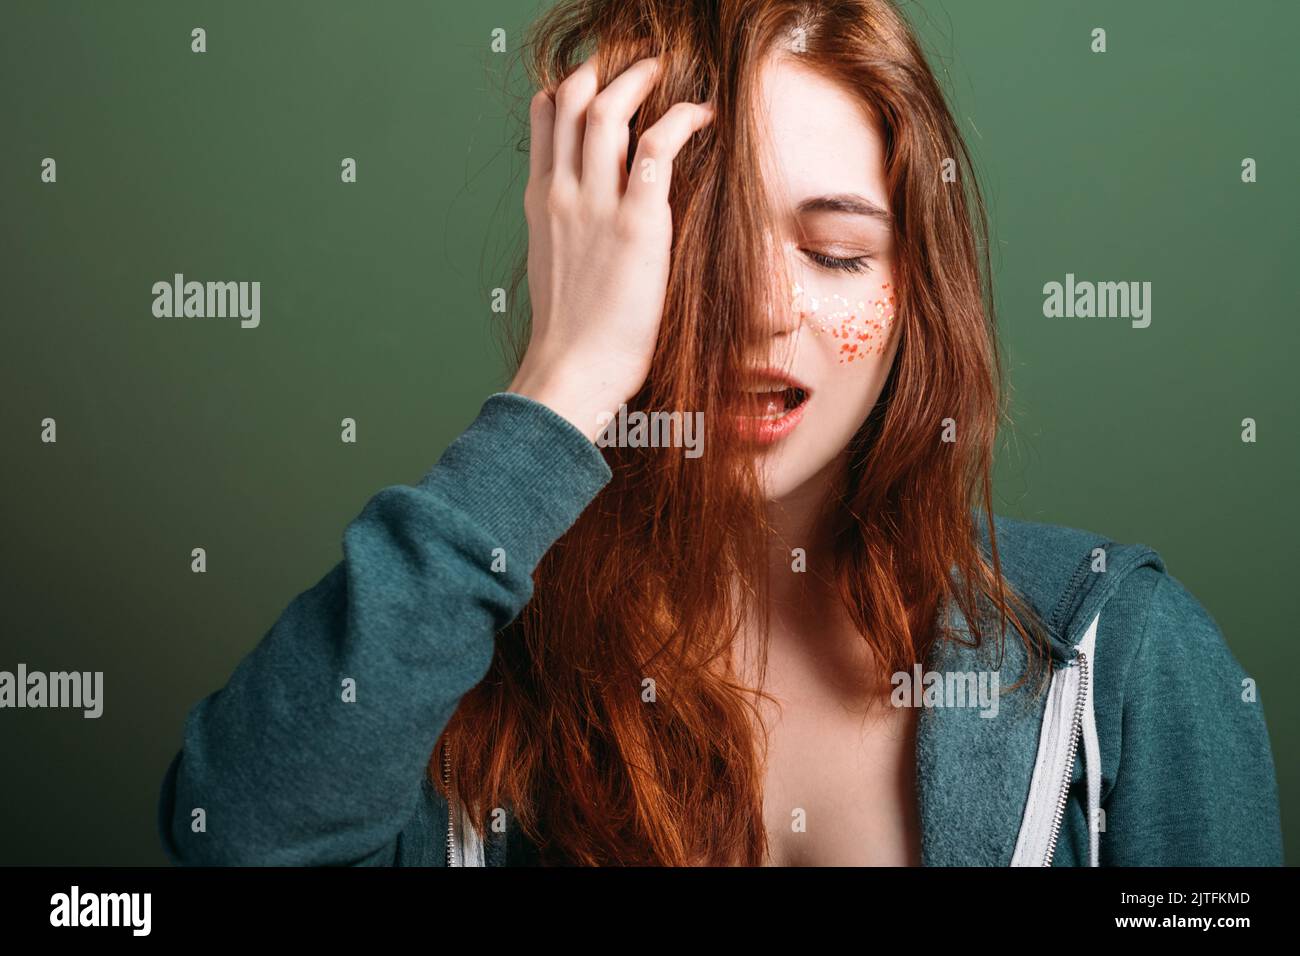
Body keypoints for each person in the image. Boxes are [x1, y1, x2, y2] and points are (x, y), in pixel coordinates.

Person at [158, 0, 1283, 867]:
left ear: (916, 291)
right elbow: (235, 833)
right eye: (694, 242)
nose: (758, 309)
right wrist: (558, 388)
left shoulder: (1117, 660)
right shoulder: (456, 669)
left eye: (836, 251)